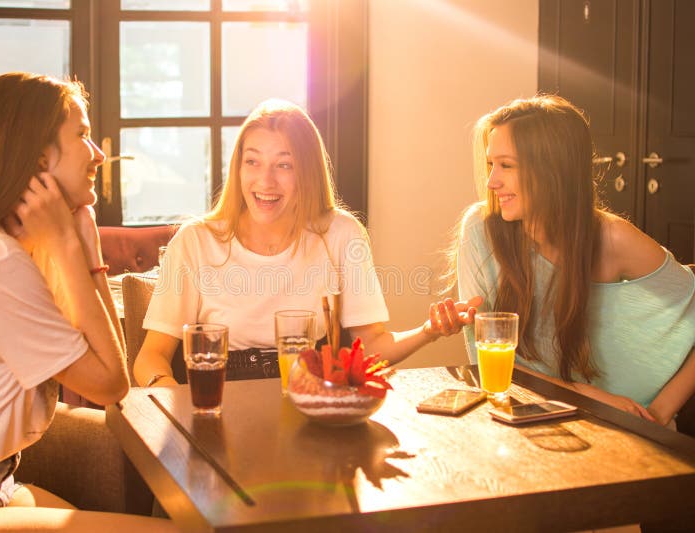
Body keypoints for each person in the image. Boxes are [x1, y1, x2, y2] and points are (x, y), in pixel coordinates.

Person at [0, 73, 173, 532]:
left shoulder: (18, 248)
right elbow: (111, 384)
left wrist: (84, 246)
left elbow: (108, 361)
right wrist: (70, 247)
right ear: (38, 158)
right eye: (83, 136)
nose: (99, 154)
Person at [134, 98, 481, 388]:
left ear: (308, 172)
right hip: (219, 403)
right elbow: (151, 358)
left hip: (310, 402)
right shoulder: (195, 241)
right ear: (238, 167)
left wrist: (429, 331)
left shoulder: (341, 234)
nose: (265, 180)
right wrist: (180, 407)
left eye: (284, 164)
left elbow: (372, 347)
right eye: (252, 161)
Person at [455, 94, 695, 426]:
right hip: (523, 414)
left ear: (553, 170)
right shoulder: (480, 229)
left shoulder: (614, 239)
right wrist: (582, 393)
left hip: (618, 429)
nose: (492, 181)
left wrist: (660, 412)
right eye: (490, 164)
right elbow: (486, 360)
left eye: (506, 165)